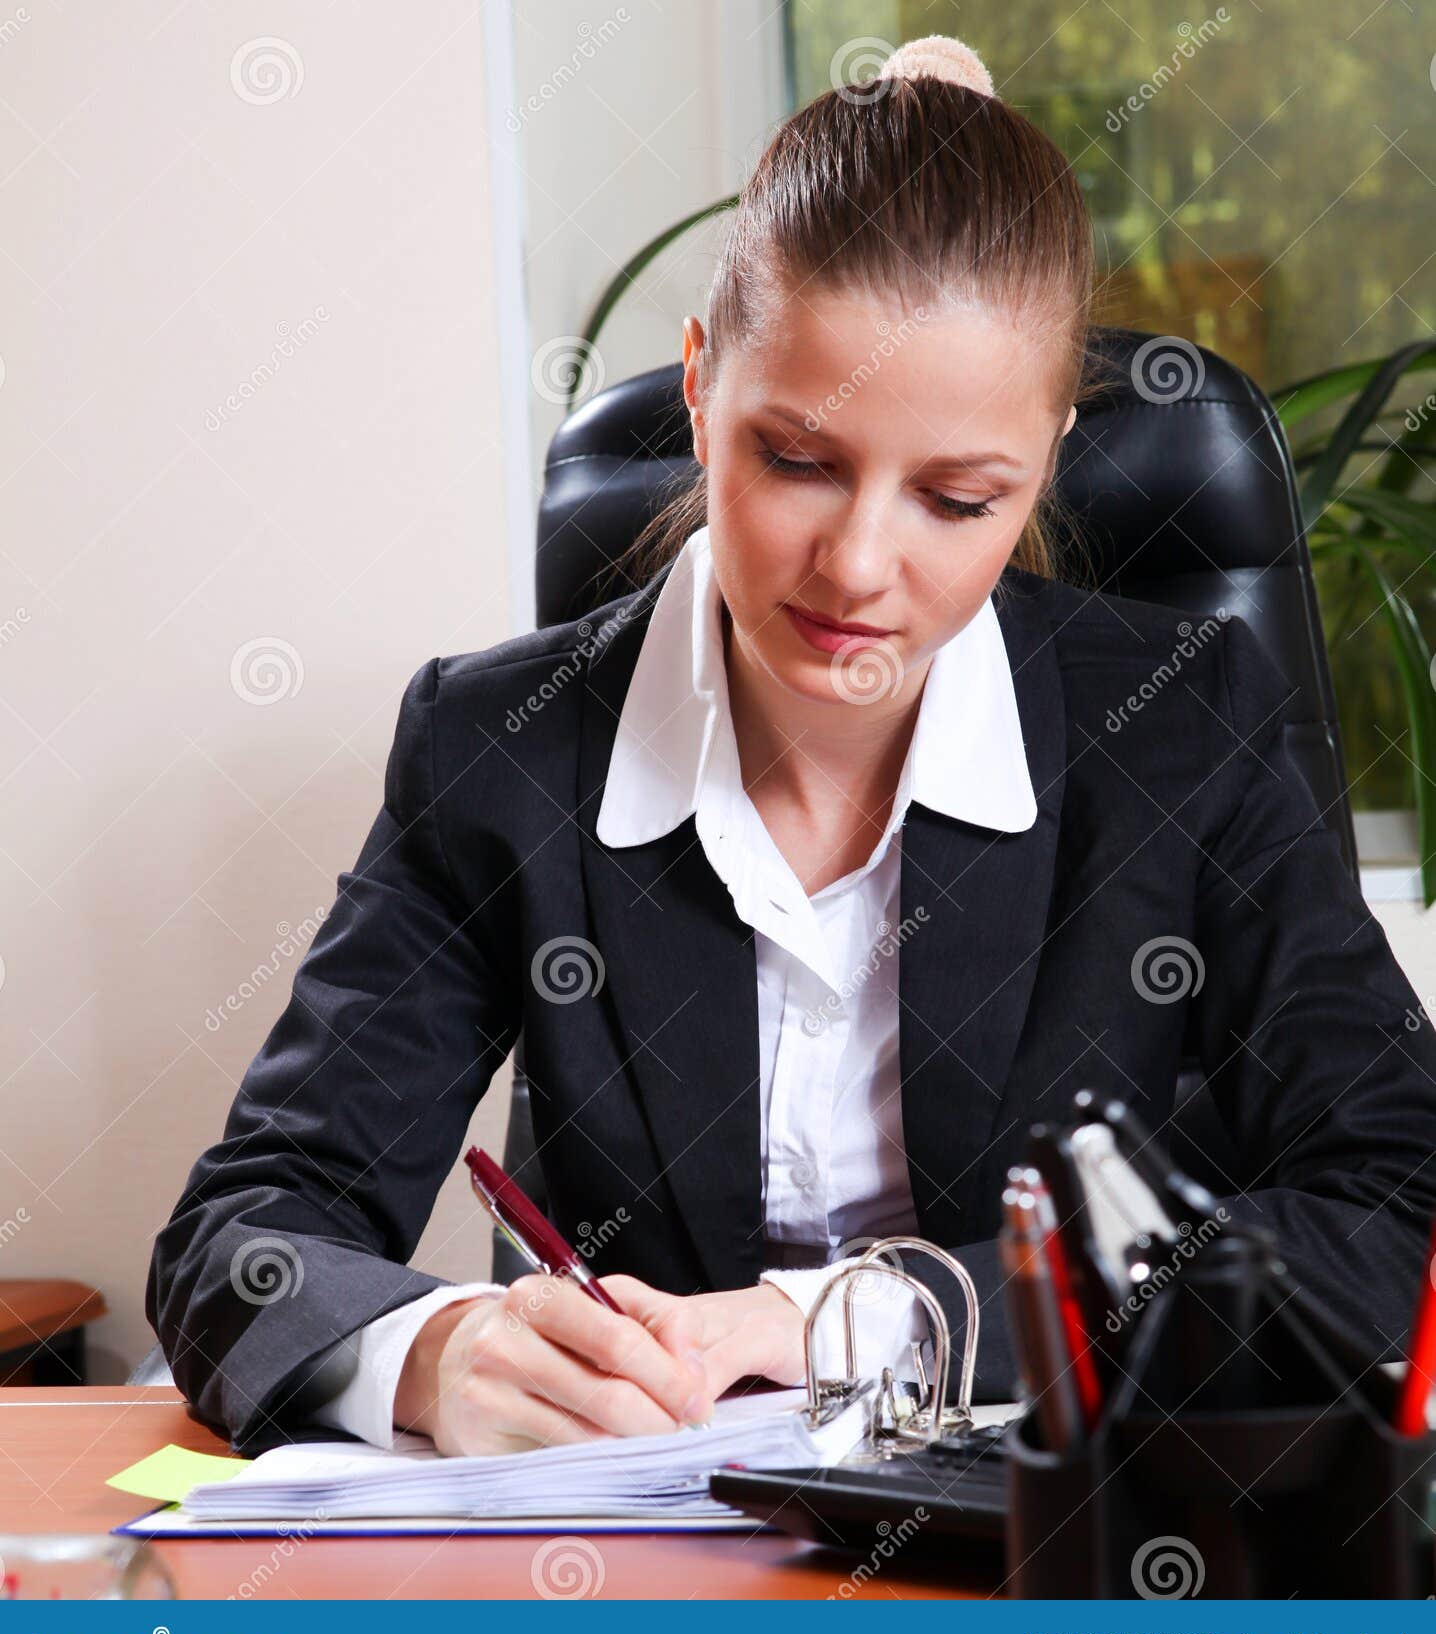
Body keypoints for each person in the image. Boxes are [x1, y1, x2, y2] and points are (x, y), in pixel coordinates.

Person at [147, 35, 1436, 1460]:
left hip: (1051, 1557)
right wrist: (428, 1349)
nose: (861, 566)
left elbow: (1396, 1192)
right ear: (700, 389)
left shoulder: (1182, 726)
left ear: (1048, 462)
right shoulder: (493, 752)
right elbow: (245, 1233)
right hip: (636, 1577)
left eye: (958, 496)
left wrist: (882, 1318)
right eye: (799, 460)